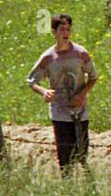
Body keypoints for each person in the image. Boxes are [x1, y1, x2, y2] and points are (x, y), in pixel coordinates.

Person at [27, 13, 99, 174]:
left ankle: (86, 181)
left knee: (82, 152)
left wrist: (82, 95)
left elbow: (93, 76)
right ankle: (67, 182)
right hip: (60, 113)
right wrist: (44, 91)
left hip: (80, 112)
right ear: (54, 31)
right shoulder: (48, 57)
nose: (66, 33)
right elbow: (31, 81)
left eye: (68, 29)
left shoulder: (81, 53)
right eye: (62, 29)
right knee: (65, 156)